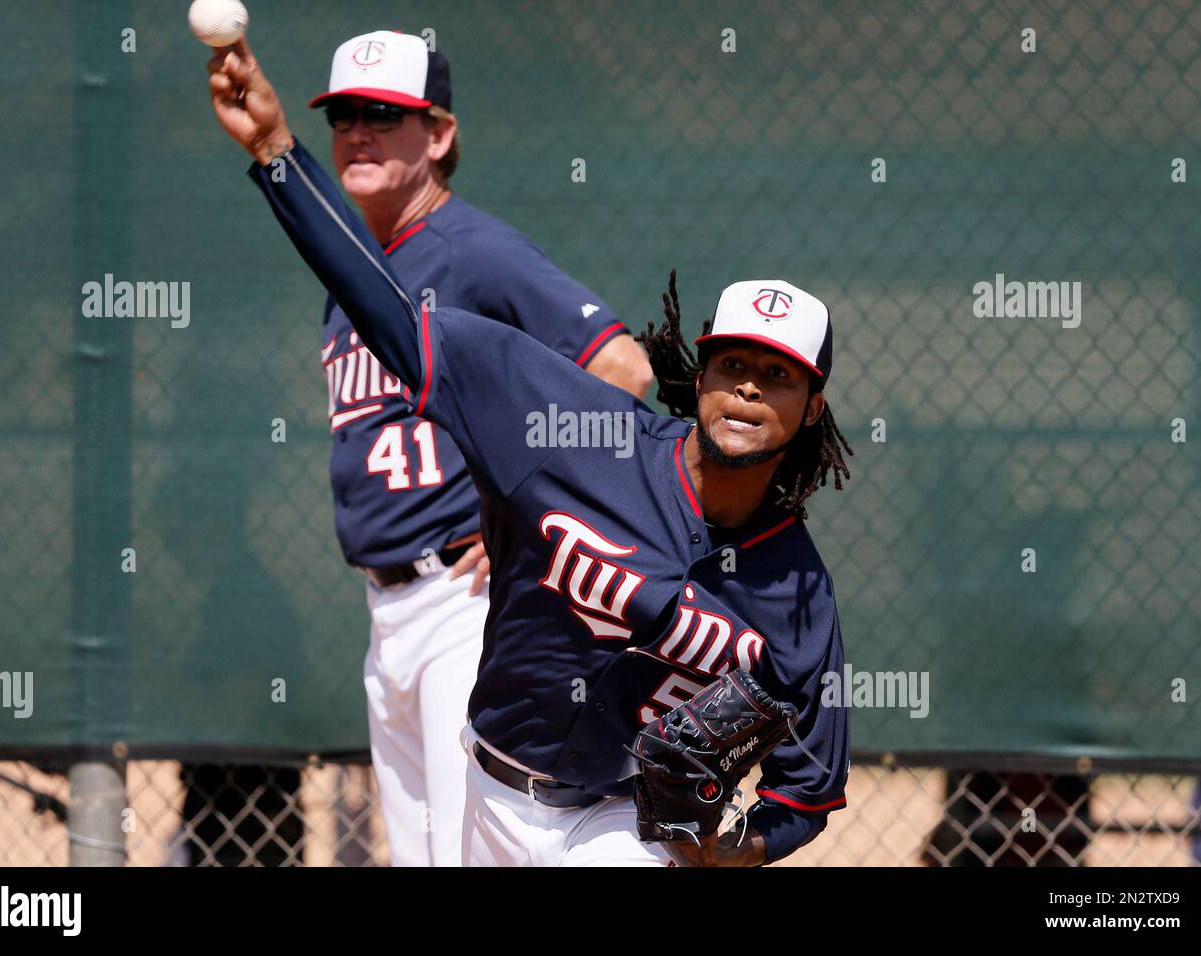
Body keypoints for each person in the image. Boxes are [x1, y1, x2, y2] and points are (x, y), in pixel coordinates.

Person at [207, 38, 853, 866]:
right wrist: (273, 153)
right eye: (733, 365)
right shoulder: (578, 448)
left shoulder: (797, 592)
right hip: (492, 788)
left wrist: (744, 849)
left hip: (623, 824)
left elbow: (806, 788)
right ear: (699, 377)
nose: (751, 389)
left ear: (813, 408)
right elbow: (395, 321)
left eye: (779, 376)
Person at [289, 31, 651, 866]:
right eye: (345, 116)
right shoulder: (355, 274)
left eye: (385, 115)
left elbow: (622, 373)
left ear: (439, 136)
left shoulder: (475, 252)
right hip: (388, 611)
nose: (358, 133)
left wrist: (536, 512)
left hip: (466, 605)